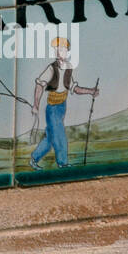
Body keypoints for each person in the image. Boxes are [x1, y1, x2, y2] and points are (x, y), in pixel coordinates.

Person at [29, 37, 98, 169]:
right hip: (52, 109)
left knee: (50, 138)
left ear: (67, 52)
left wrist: (90, 91)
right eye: (58, 49)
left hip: (62, 107)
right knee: (59, 136)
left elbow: (74, 88)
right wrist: (36, 105)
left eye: (63, 49)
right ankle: (63, 163)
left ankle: (34, 158)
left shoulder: (69, 68)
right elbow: (39, 86)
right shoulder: (51, 69)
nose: (60, 52)